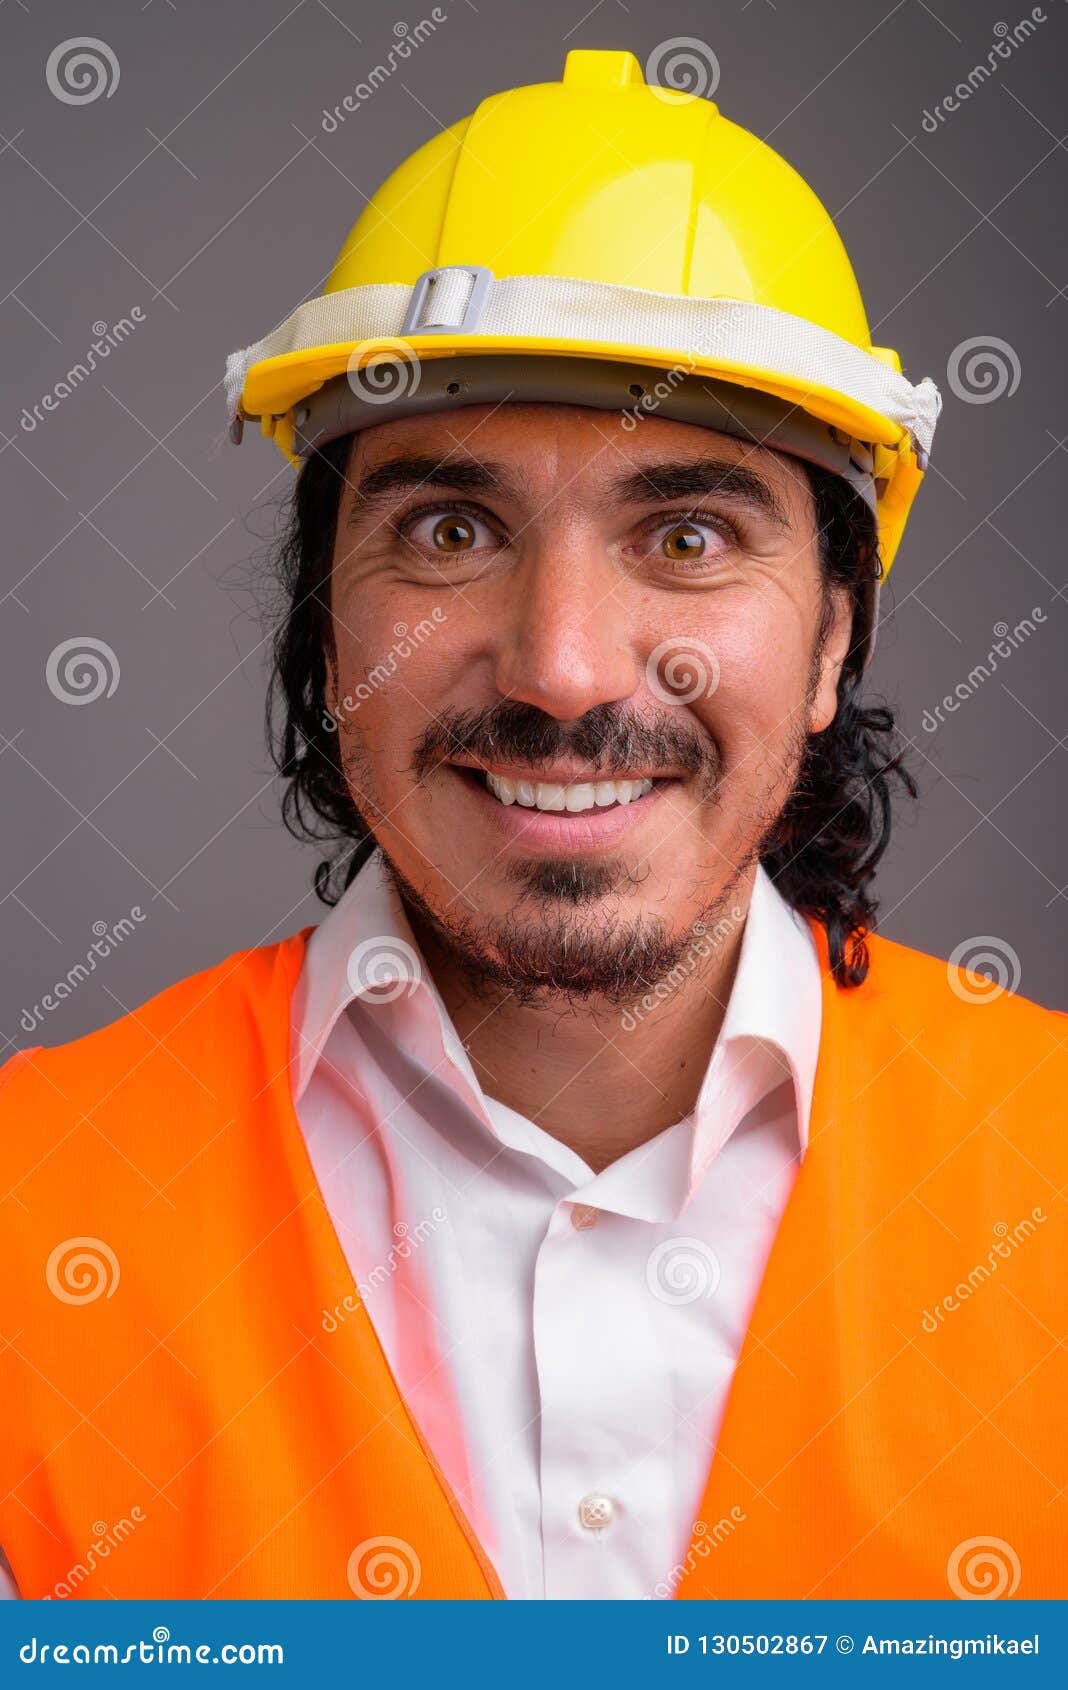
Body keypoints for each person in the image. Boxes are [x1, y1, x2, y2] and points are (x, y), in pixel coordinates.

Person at [1, 48, 1064, 1603]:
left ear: (837, 637)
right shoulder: (31, 1207)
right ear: (323, 620)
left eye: (689, 533)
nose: (562, 663)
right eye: (450, 527)